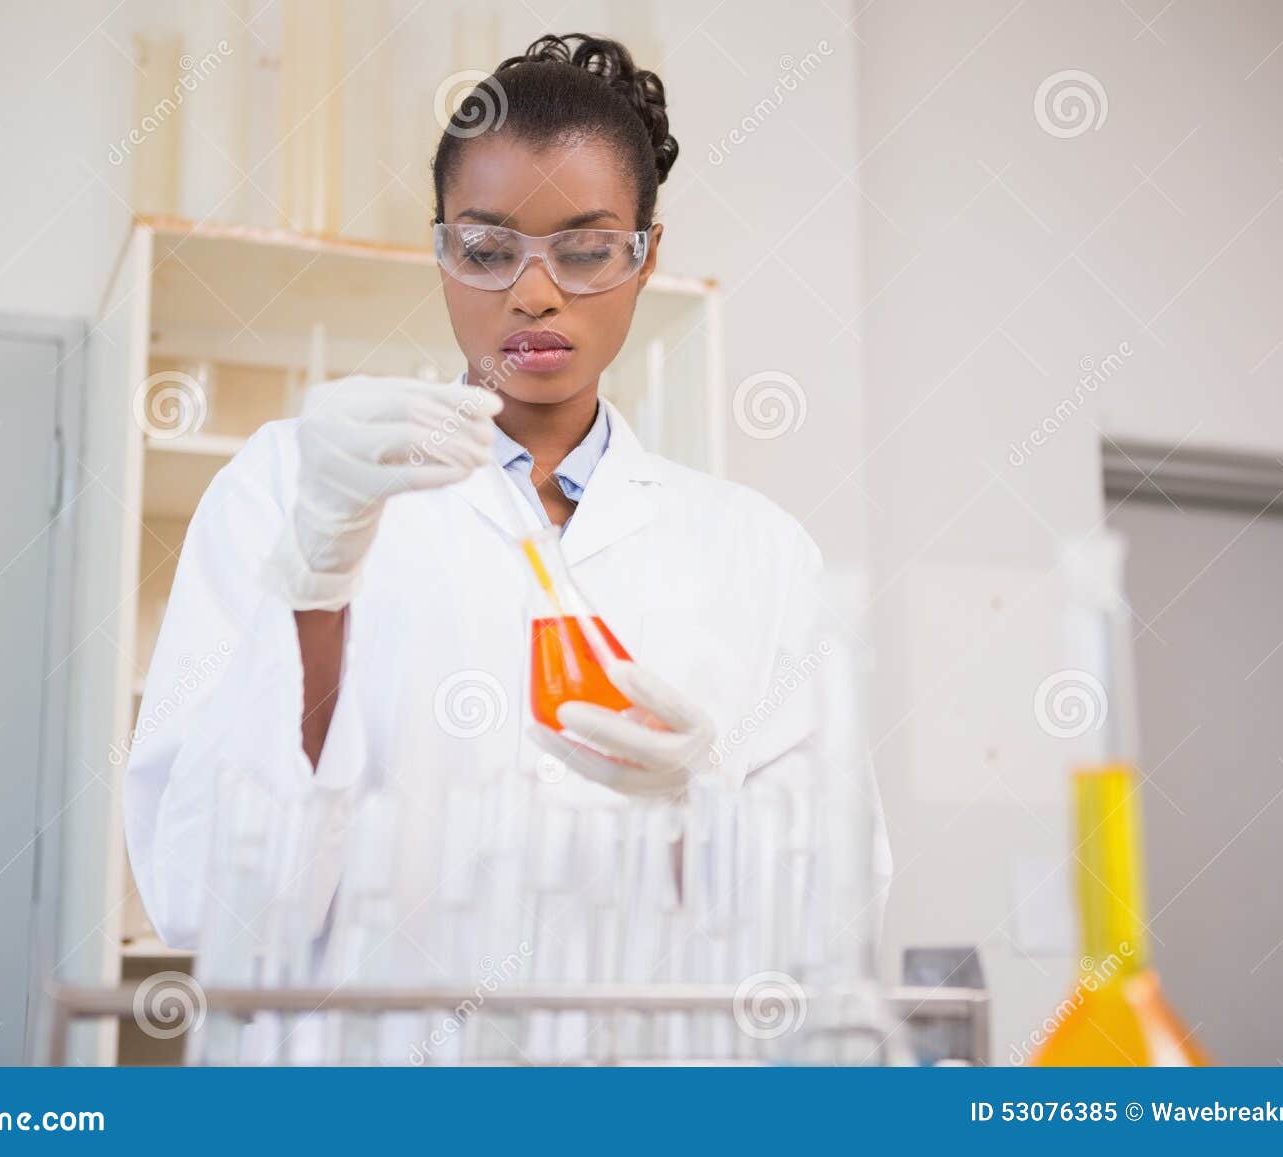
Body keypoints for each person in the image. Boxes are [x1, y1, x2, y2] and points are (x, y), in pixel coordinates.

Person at [124, 33, 845, 953]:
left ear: (647, 255)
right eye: (487, 247)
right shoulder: (286, 485)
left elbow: (824, 917)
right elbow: (206, 899)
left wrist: (694, 806)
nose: (535, 293)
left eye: (586, 250)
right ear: (440, 252)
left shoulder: (759, 553)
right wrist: (315, 591)